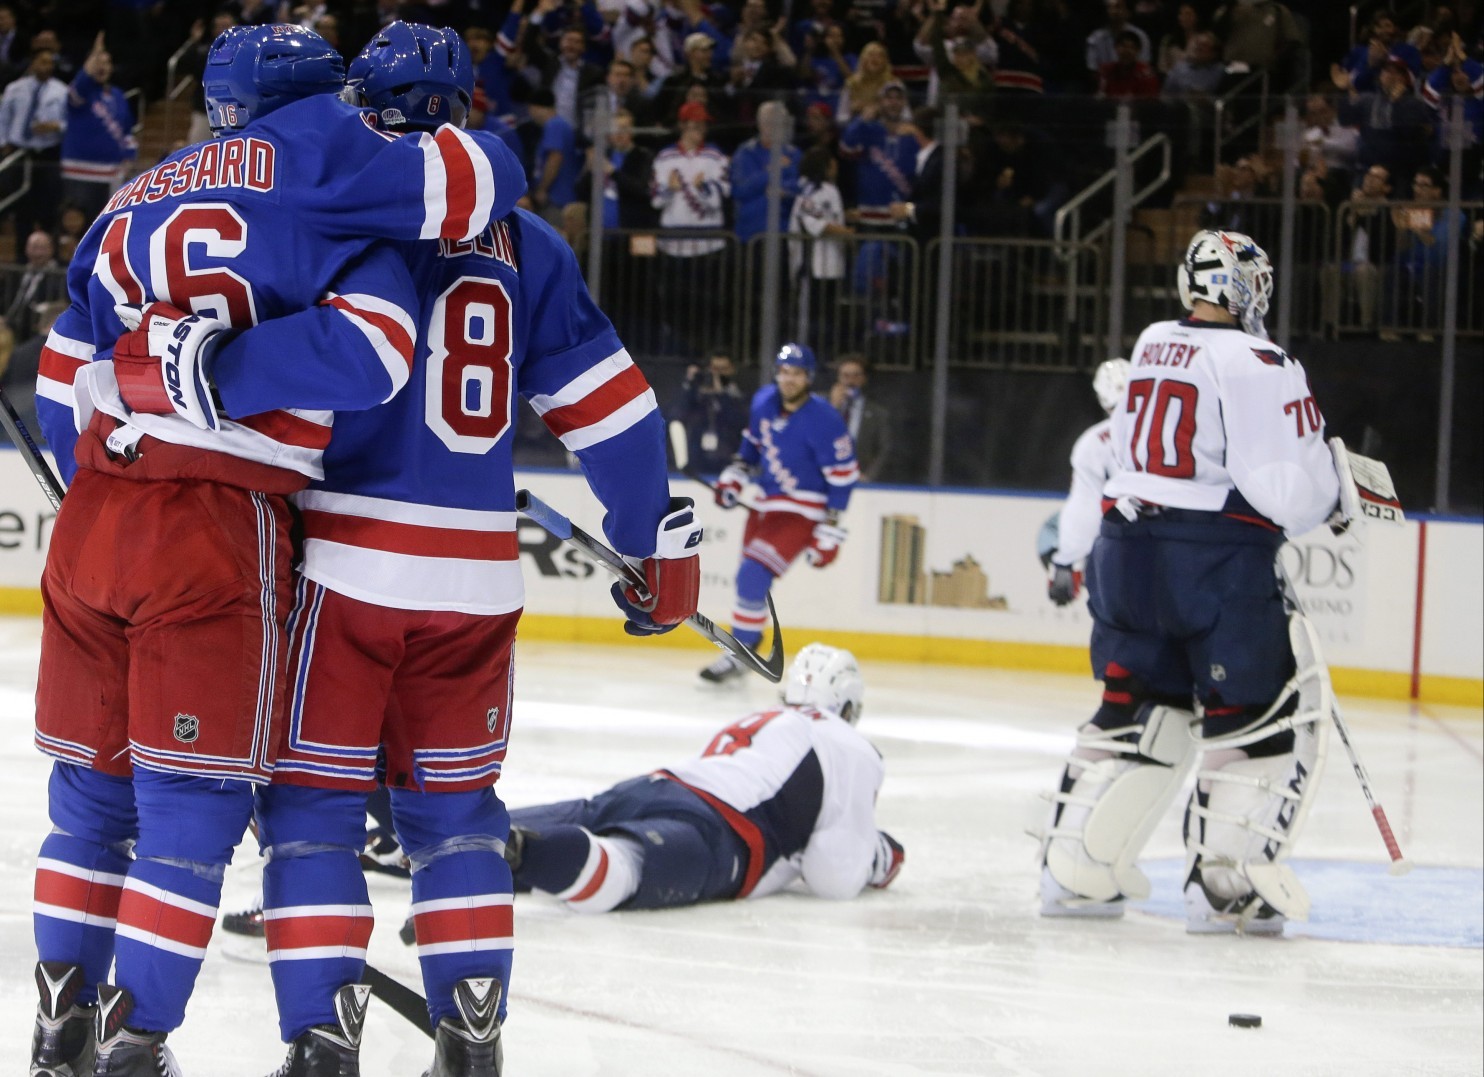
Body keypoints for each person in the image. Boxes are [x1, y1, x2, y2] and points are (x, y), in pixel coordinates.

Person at [28, 24, 527, 1075]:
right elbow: (385, 340)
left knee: (88, 804)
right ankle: (131, 1045)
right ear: (318, 98)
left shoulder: (136, 189)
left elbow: (63, 368)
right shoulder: (330, 161)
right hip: (218, 524)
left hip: (92, 524)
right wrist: (208, 374)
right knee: (190, 814)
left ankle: (58, 1028)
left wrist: (136, 403)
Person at [206, 24, 700, 1074]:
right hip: (474, 576)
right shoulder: (534, 243)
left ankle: (321, 1040)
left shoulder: (331, 221)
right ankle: (473, 1042)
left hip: (340, 564)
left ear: (362, 109)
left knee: (314, 812)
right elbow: (610, 411)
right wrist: (651, 540)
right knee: (458, 815)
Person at [1037, 230, 1344, 938]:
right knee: (1259, 720)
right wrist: (1335, 498)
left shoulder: (1150, 341)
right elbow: (1285, 492)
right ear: (1252, 288)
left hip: (1123, 554)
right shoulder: (1262, 359)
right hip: (1212, 560)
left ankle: (1074, 874)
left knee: (1130, 712)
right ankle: (1225, 889)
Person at [508, 643, 904, 911]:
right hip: (722, 830)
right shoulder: (852, 745)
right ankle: (521, 850)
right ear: (848, 705)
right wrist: (879, 856)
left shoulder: (770, 719)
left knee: (586, 813)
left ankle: (477, 836)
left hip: (657, 786)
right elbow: (833, 877)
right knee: (625, 868)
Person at [702, 343, 857, 685]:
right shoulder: (763, 402)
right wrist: (734, 479)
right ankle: (744, 650)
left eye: (797, 374)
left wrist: (829, 530)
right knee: (749, 581)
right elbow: (752, 447)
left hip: (803, 510)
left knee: (752, 575)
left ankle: (742, 649)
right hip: (766, 505)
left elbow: (844, 478)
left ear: (809, 378)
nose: (789, 380)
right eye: (784, 372)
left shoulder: (826, 420)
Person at [1044, 358, 1129, 607]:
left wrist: (1065, 561)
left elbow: (1085, 506)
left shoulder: (1093, 443)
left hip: (1123, 550)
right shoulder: (1172, 427)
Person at [61, 32, 137, 223]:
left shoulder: (119, 96)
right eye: (97, 63)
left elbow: (127, 131)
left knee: (104, 227)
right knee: (77, 225)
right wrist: (95, 53)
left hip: (111, 175)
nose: (102, 67)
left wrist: (130, 157)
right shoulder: (82, 93)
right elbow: (80, 84)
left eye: (106, 63)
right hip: (79, 173)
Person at [0, 46, 67, 240]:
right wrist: (3, 143)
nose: (47, 67)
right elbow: (3, 118)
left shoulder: (61, 91)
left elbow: (69, 122)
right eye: (43, 62)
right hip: (19, 151)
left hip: (47, 152)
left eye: (51, 63)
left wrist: (57, 126)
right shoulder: (15, 88)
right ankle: (22, 251)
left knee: (48, 204)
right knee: (20, 205)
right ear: (33, 63)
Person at [674, 350, 747, 474]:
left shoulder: (738, 395)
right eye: (714, 369)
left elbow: (739, 422)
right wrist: (689, 385)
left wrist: (722, 395)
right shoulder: (698, 395)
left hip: (728, 460)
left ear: (732, 370)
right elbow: (677, 415)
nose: (717, 374)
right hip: (697, 460)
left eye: (723, 369)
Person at [827, 353, 890, 483]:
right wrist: (833, 407)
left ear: (864, 379)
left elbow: (884, 449)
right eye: (846, 376)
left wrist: (868, 476)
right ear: (838, 378)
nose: (851, 381)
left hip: (859, 480)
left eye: (856, 375)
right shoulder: (822, 407)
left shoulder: (877, 413)